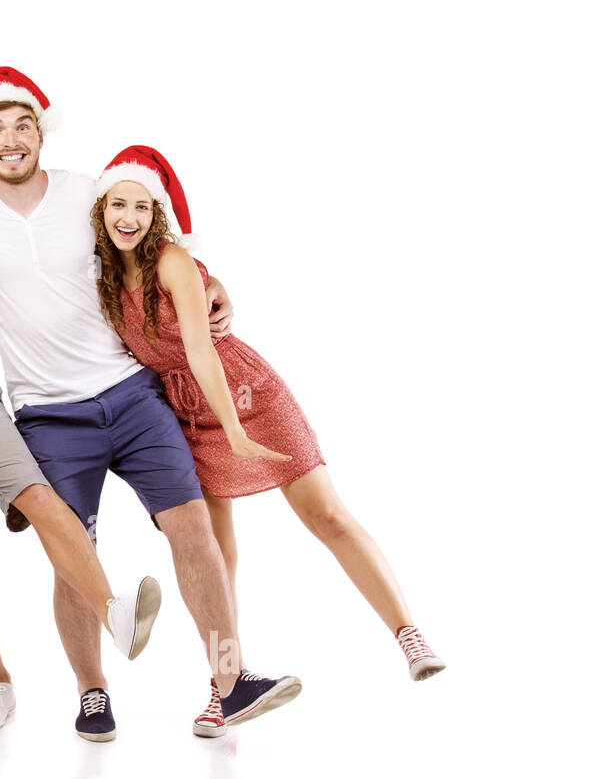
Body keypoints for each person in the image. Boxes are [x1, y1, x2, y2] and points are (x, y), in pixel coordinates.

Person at [0, 66, 301, 740]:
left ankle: (230, 680)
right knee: (72, 550)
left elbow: (157, 242)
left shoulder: (89, 193)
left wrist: (214, 281)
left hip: (132, 395)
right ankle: (91, 691)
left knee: (192, 525)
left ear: (41, 132)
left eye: (22, 125)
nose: (10, 139)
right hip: (48, 415)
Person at [90, 145, 445, 735]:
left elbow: (201, 349)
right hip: (182, 411)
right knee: (213, 553)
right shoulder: (104, 276)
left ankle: (408, 634)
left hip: (244, 395)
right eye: (118, 204)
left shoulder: (172, 262)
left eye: (143, 207)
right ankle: (224, 681)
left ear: (158, 216)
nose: (130, 217)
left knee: (326, 514)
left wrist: (232, 426)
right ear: (101, 208)